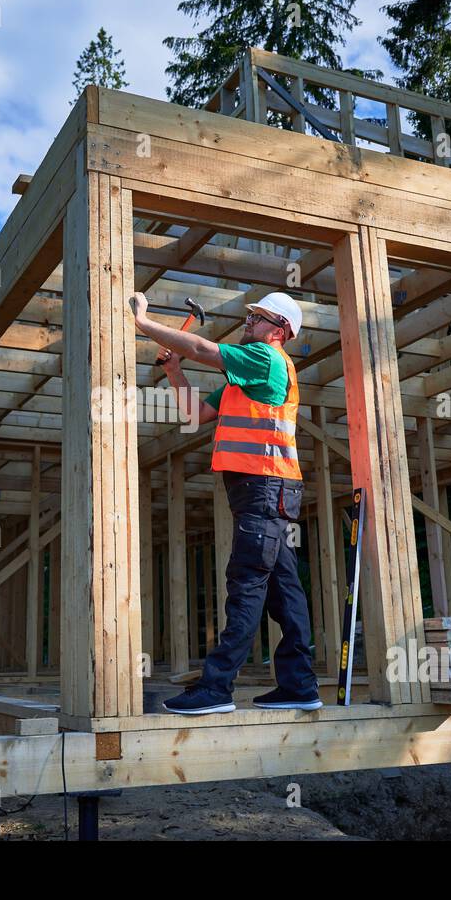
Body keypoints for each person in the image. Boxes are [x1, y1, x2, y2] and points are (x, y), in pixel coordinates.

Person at [128, 290, 322, 714]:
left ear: (280, 331)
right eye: (250, 314)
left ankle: (215, 689)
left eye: (259, 316)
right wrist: (174, 371)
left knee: (247, 582)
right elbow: (195, 415)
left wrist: (143, 323)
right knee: (280, 586)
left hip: (265, 488)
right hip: (269, 491)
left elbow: (200, 346)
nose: (249, 319)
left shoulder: (266, 359)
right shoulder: (246, 379)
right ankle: (299, 686)